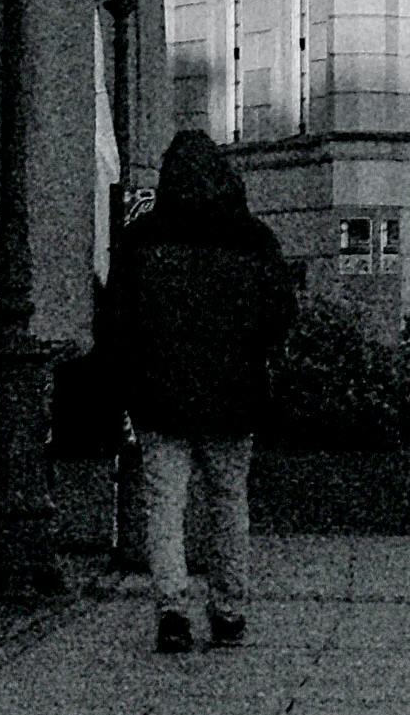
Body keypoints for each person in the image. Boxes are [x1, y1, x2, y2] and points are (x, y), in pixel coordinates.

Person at [110, 125, 297, 653]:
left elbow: (118, 323)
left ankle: (172, 609)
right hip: (234, 397)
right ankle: (229, 610)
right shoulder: (254, 239)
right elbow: (281, 314)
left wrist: (128, 382)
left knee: (165, 505)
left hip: (159, 396)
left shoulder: (143, 240)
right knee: (227, 501)